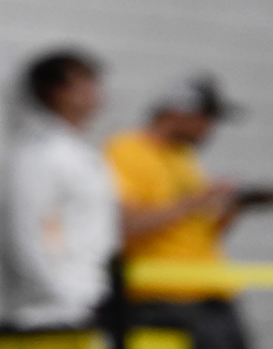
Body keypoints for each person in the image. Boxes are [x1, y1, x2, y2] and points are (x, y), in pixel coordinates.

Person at [105, 75, 252, 349]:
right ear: (177, 112)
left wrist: (230, 210)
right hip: (163, 296)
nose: (210, 128)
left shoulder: (184, 158)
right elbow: (124, 225)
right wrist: (194, 201)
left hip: (211, 292)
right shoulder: (127, 150)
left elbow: (200, 234)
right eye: (206, 118)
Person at [0, 50, 120, 335]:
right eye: (84, 84)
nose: (95, 94)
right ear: (56, 91)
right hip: (55, 314)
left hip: (94, 300)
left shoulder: (80, 151)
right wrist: (66, 296)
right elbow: (27, 231)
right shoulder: (39, 153)